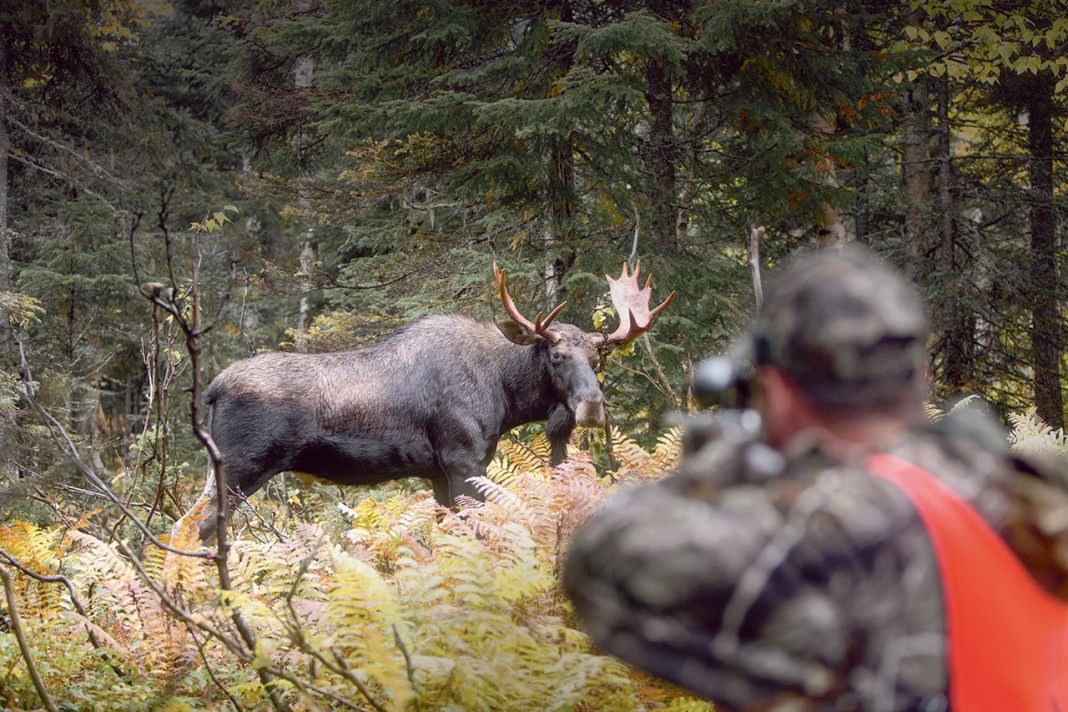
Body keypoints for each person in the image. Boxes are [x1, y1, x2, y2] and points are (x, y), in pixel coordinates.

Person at [563, 246, 1068, 710]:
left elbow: (603, 565)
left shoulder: (832, 530)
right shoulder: (1027, 490)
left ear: (777, 391)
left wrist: (729, 457)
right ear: (919, 376)